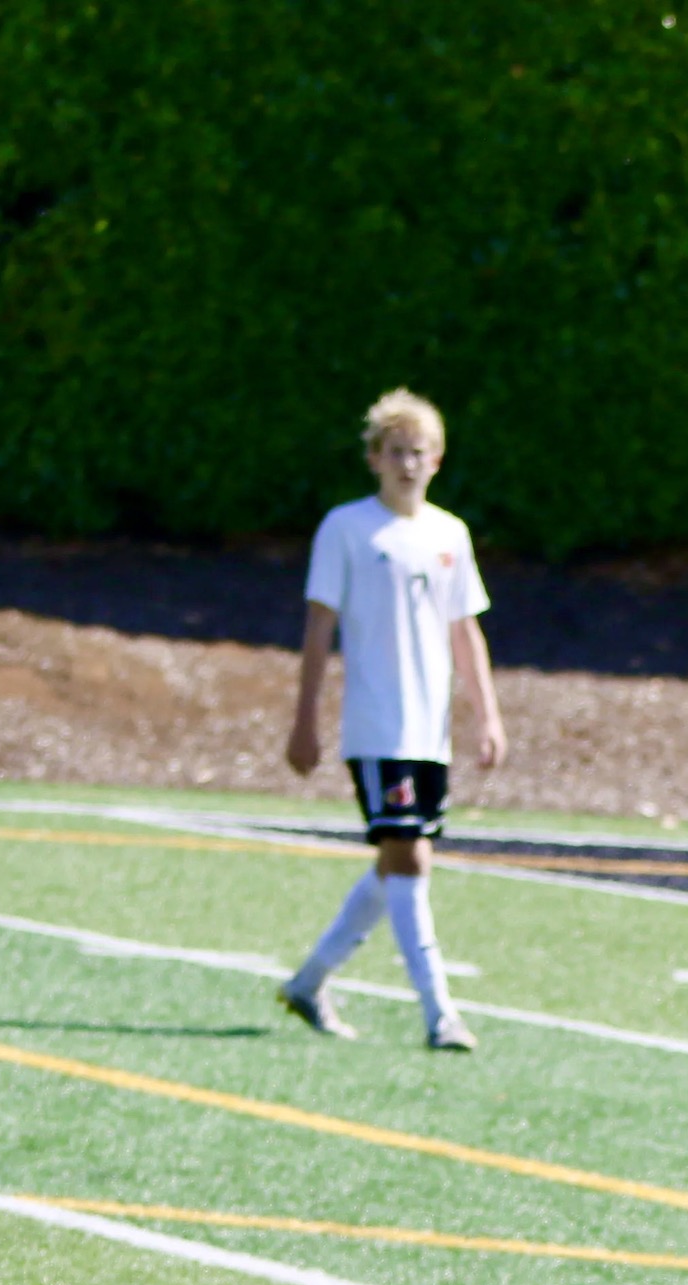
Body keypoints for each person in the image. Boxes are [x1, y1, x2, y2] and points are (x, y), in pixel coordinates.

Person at [276, 388, 504, 1051]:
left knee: (398, 857)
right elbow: (320, 626)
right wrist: (304, 719)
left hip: (429, 730)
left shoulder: (449, 535)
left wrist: (486, 715)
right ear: (374, 458)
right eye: (395, 451)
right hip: (377, 724)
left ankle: (310, 981)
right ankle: (440, 1012)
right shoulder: (346, 529)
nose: (408, 464)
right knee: (409, 855)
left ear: (437, 460)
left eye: (419, 452)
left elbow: (467, 632)